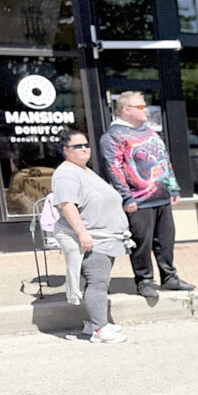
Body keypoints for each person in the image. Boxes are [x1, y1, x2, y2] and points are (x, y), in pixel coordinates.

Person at [99, 91, 195, 300]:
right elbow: (114, 168)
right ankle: (144, 281)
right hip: (139, 201)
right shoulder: (114, 136)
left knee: (166, 240)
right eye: (141, 107)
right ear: (127, 110)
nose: (146, 110)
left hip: (161, 197)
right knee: (142, 243)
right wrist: (126, 197)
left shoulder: (149, 132)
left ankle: (169, 277)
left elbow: (163, 158)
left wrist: (173, 187)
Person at [51, 129, 133, 343]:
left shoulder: (83, 170)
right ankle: (99, 330)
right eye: (78, 146)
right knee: (97, 281)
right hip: (91, 238)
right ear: (65, 150)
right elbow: (67, 204)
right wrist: (82, 233)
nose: (85, 148)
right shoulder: (66, 173)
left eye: (86, 144)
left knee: (99, 281)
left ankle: (94, 323)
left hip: (105, 236)